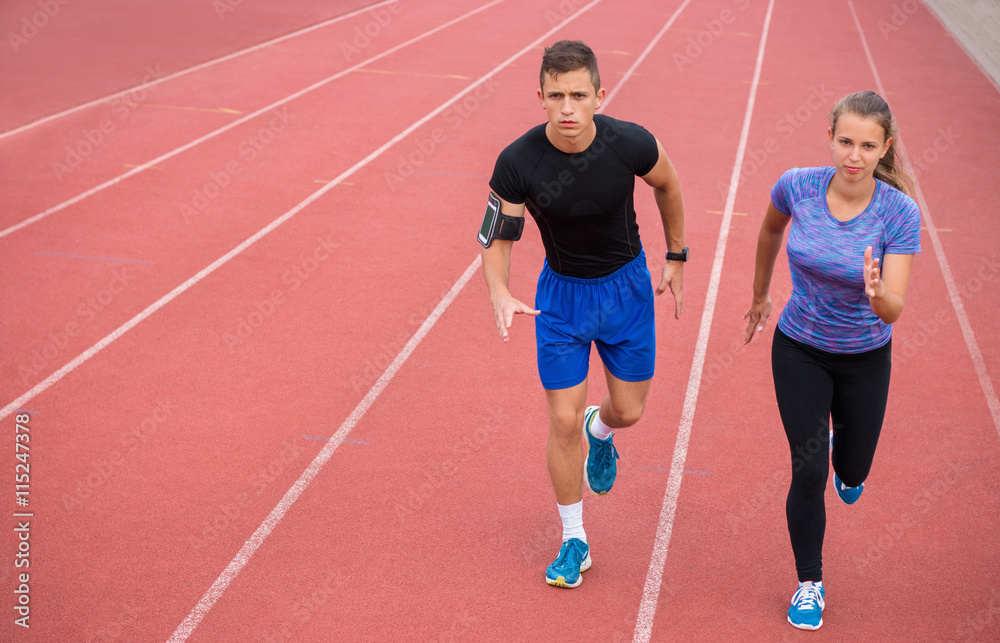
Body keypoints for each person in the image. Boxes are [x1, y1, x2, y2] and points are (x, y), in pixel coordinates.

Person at [479, 40, 686, 588]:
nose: (567, 108)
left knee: (629, 410)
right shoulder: (519, 161)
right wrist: (498, 289)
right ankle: (574, 539)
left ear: (599, 94)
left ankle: (604, 430)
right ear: (540, 98)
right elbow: (497, 235)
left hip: (627, 292)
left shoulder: (629, 143)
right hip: (563, 298)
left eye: (577, 95)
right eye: (555, 96)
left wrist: (677, 254)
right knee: (561, 420)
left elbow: (667, 183)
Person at [743, 90, 921, 630]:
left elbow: (893, 310)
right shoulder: (797, 185)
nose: (854, 155)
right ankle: (809, 583)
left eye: (868, 145)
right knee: (808, 468)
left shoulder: (899, 213)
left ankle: (850, 455)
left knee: (851, 472)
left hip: (865, 356)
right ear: (830, 137)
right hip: (798, 348)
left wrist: (875, 293)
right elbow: (771, 229)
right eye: (846, 141)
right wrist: (759, 295)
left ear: (884, 147)